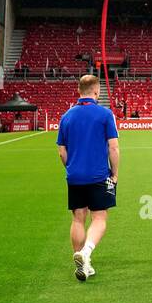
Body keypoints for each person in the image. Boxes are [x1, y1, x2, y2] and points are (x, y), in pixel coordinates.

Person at [56, 74, 119, 282]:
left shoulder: (67, 116)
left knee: (77, 218)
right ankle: (86, 253)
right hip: (98, 175)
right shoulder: (105, 114)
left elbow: (61, 151)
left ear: (78, 91)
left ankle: (83, 261)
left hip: (74, 176)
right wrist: (115, 173)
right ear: (96, 90)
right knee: (99, 218)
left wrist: (71, 167)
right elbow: (113, 147)